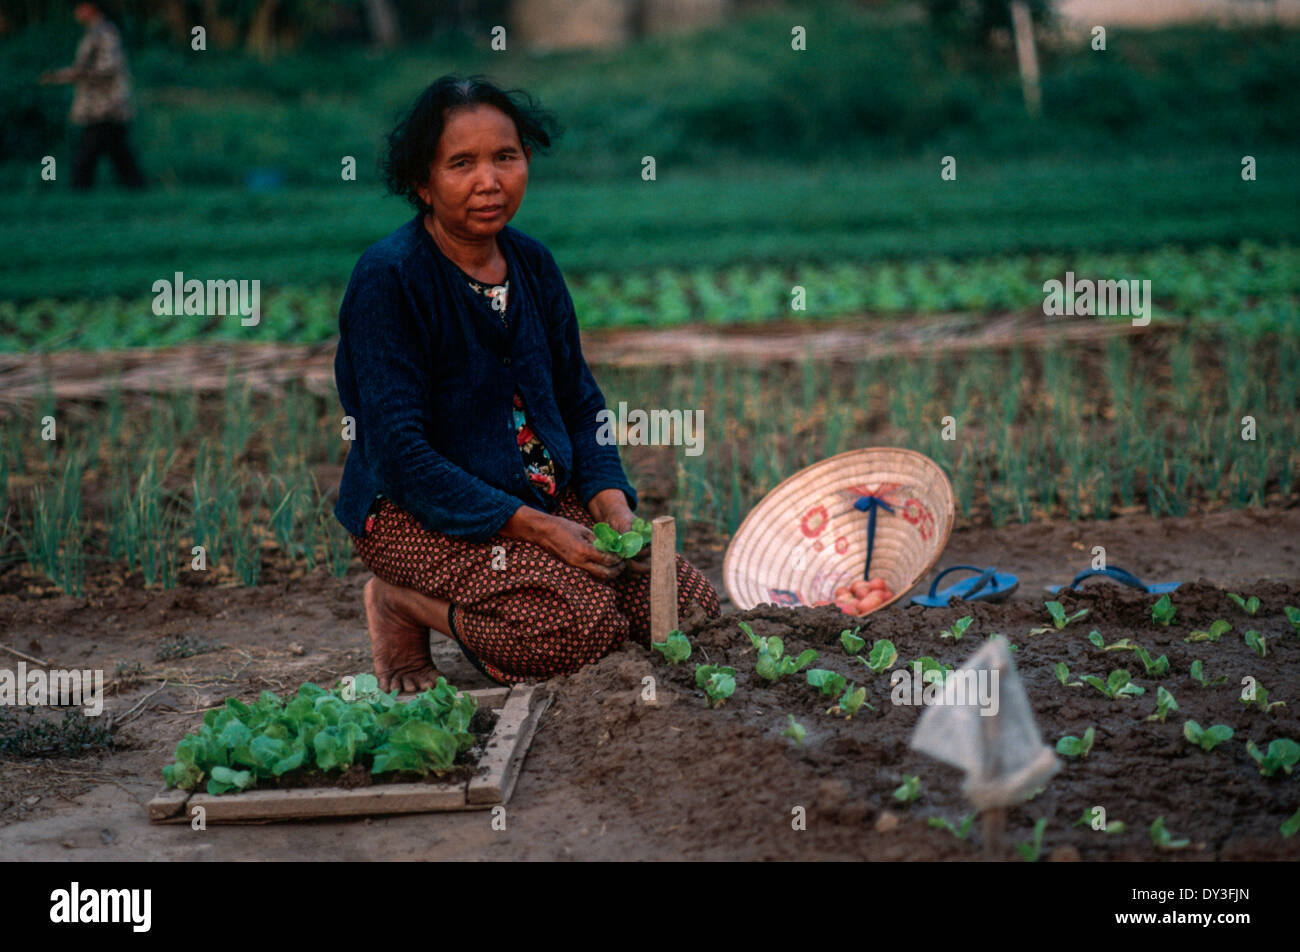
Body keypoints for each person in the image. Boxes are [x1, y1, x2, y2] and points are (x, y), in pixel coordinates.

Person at [335, 75, 721, 690]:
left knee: (688, 608)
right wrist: (540, 530)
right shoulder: (392, 279)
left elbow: (579, 400)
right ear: (422, 183)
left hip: (536, 493)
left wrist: (609, 502)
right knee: (577, 631)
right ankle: (398, 602)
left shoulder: (533, 263)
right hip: (418, 511)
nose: (489, 181)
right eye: (461, 163)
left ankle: (541, 563)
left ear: (527, 161)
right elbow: (400, 456)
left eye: (505, 158)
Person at [40, 2, 145, 189]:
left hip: (105, 106)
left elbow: (108, 68)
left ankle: (80, 191)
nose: (76, 12)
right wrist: (61, 76)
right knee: (119, 154)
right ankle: (136, 189)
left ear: (90, 8)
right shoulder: (95, 33)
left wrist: (69, 76)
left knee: (87, 154)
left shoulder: (104, 33)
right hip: (104, 107)